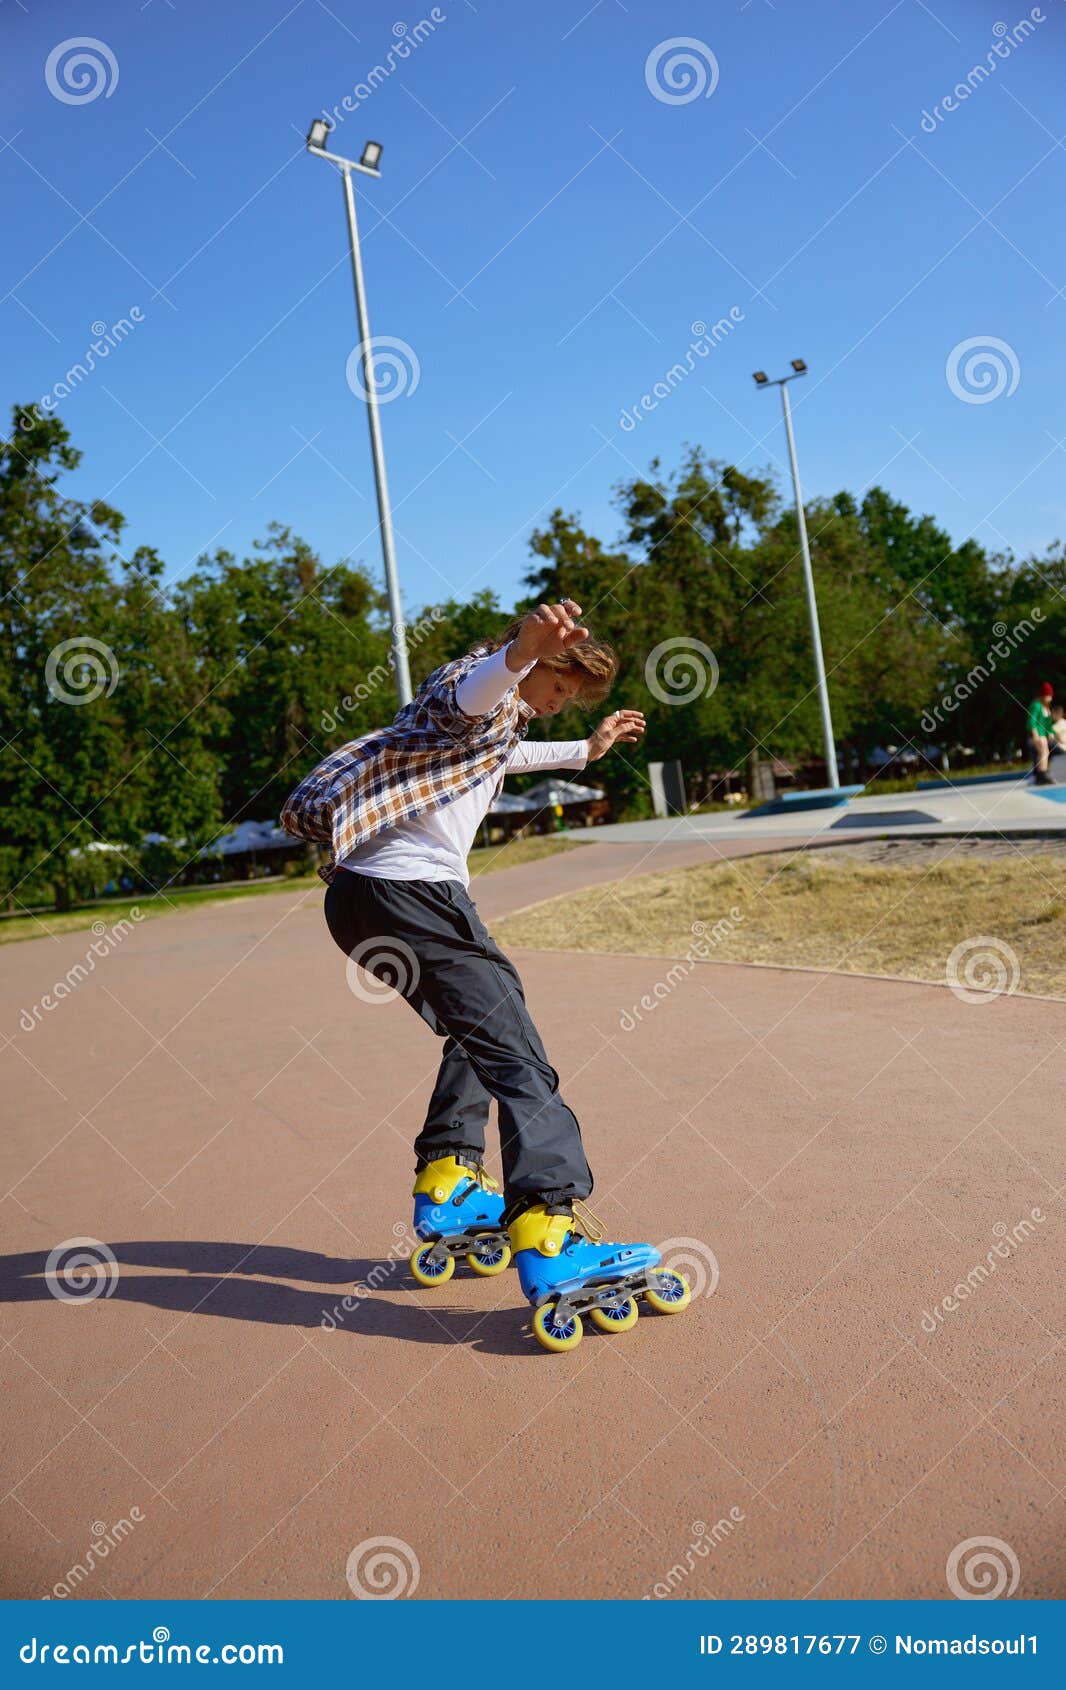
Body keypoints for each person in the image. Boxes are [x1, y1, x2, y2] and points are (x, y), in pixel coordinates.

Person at [282, 602, 690, 1350]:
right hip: (413, 895)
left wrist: (583, 751)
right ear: (535, 663)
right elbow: (471, 697)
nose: (556, 704)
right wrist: (519, 653)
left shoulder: (493, 733)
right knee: (518, 1052)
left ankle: (448, 1181)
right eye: (559, 689)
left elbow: (504, 752)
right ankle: (548, 1228)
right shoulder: (478, 696)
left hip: (358, 900)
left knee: (478, 1032)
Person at [1026, 682, 1056, 784]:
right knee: (1043, 752)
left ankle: (1040, 775)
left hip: (1043, 734)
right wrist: (1035, 735)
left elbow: (1048, 724)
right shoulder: (1036, 705)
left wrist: (1050, 732)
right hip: (1037, 734)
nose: (1050, 697)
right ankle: (1041, 774)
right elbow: (1032, 720)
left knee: (1045, 753)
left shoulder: (1046, 708)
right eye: (1049, 695)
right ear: (1043, 695)